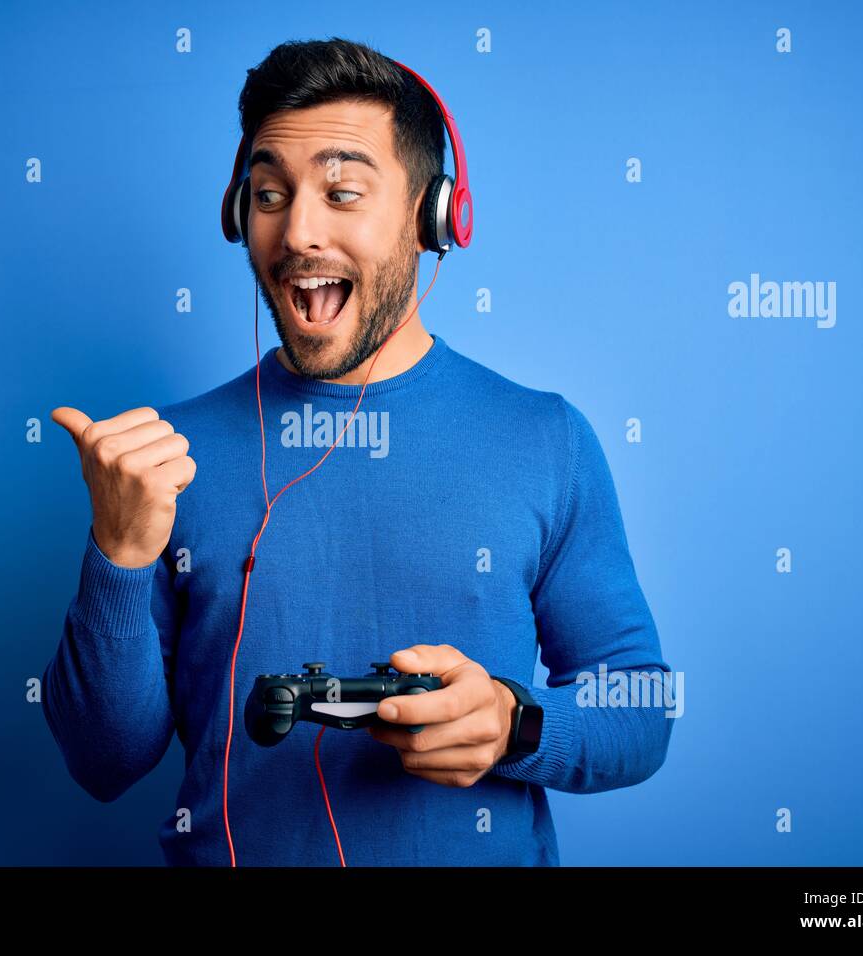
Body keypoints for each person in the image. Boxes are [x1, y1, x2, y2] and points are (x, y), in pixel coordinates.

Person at [41, 37, 674, 866]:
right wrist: (117, 553)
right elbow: (104, 762)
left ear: (432, 217)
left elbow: (640, 709)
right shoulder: (164, 458)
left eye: (342, 192)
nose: (298, 231)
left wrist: (516, 725)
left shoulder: (545, 438)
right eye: (269, 194)